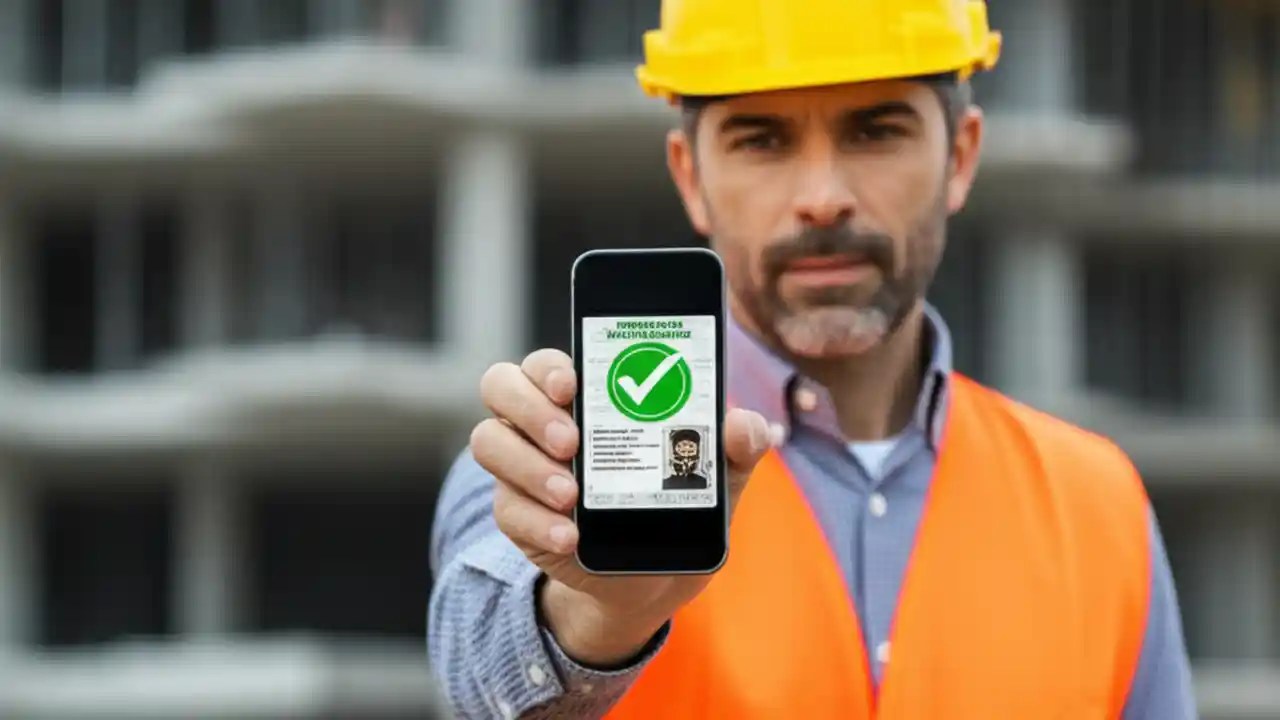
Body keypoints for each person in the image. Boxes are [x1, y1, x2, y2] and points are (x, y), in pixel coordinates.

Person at [428, 0, 1198, 717]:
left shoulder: (1099, 507)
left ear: (960, 157)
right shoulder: (561, 459)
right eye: (762, 139)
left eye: (875, 131)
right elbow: (476, 664)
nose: (823, 196)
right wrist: (595, 618)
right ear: (691, 177)